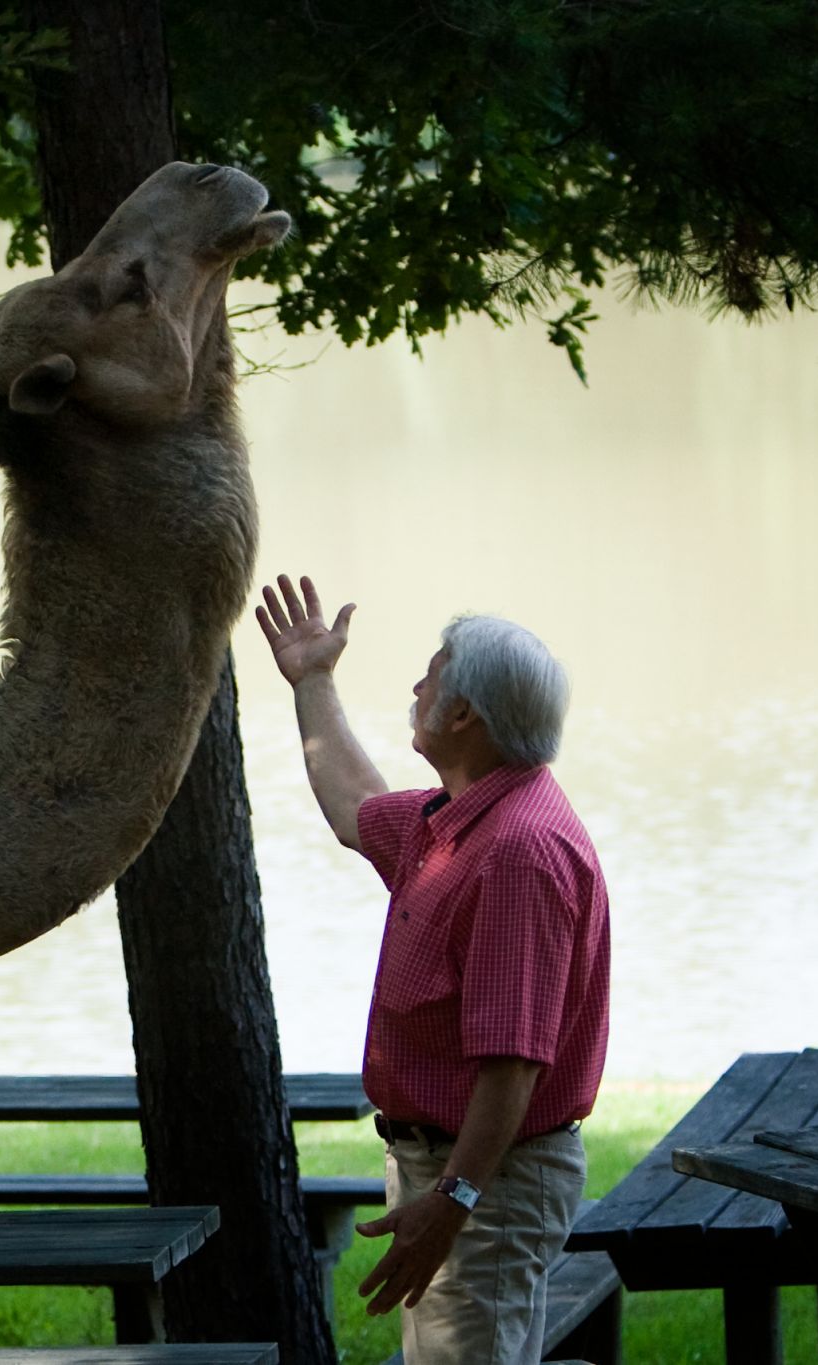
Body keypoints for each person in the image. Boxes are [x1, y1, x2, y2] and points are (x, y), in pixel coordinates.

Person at [256, 573, 609, 1365]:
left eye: (434, 670)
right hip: (455, 1169)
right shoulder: (454, 822)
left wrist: (452, 1200)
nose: (416, 684)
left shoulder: (519, 852)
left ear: (463, 714)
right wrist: (312, 682)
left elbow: (514, 1064)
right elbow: (355, 806)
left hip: (488, 1178)